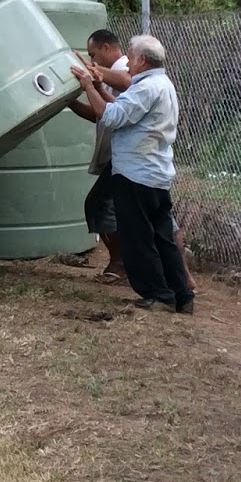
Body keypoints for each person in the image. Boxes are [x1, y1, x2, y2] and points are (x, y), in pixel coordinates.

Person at [71, 33, 194, 314]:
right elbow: (122, 110)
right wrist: (101, 87)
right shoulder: (163, 84)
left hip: (135, 175)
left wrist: (88, 86)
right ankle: (182, 295)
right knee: (162, 237)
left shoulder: (146, 88)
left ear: (141, 59)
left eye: (130, 57)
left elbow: (111, 117)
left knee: (138, 238)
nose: (126, 65)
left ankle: (158, 295)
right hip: (156, 174)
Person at [68, 29, 130, 281]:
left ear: (106, 47)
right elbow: (99, 113)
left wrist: (92, 73)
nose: (93, 61)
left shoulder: (125, 67)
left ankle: (121, 263)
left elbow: (127, 83)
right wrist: (69, 102)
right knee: (99, 206)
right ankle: (120, 261)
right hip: (116, 155)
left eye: (94, 55)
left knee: (101, 206)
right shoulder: (108, 75)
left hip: (124, 155)